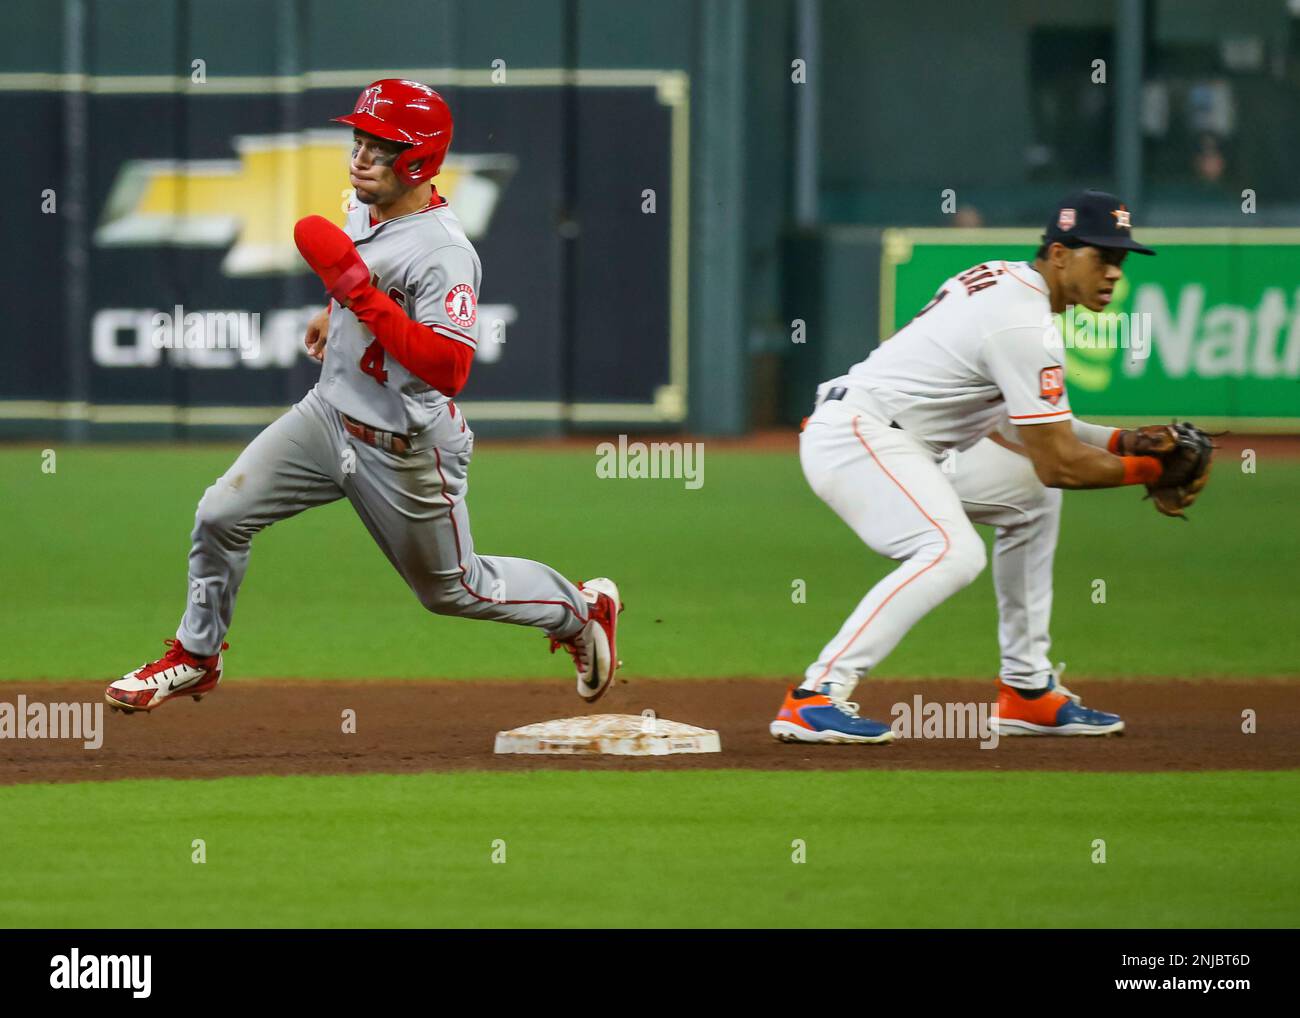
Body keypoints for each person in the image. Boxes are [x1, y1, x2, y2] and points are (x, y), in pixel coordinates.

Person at [107, 79, 622, 714]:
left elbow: (451, 367)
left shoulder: (445, 254)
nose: (360, 158)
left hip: (403, 446)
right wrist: (336, 308)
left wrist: (359, 298)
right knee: (219, 515)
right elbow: (356, 271)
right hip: (328, 417)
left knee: (454, 590)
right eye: (359, 140)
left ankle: (581, 610)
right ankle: (197, 655)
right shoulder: (365, 204)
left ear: (419, 160)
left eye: (380, 148)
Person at [771, 189, 1173, 744]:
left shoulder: (1006, 284)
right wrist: (1151, 472)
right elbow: (1059, 461)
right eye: (1101, 256)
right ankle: (815, 694)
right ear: (1059, 254)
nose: (1112, 272)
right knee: (950, 550)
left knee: (1032, 498)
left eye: (1119, 260)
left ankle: (1027, 691)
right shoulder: (1020, 323)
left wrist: (1124, 439)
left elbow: (1026, 429)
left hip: (897, 438)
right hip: (861, 438)